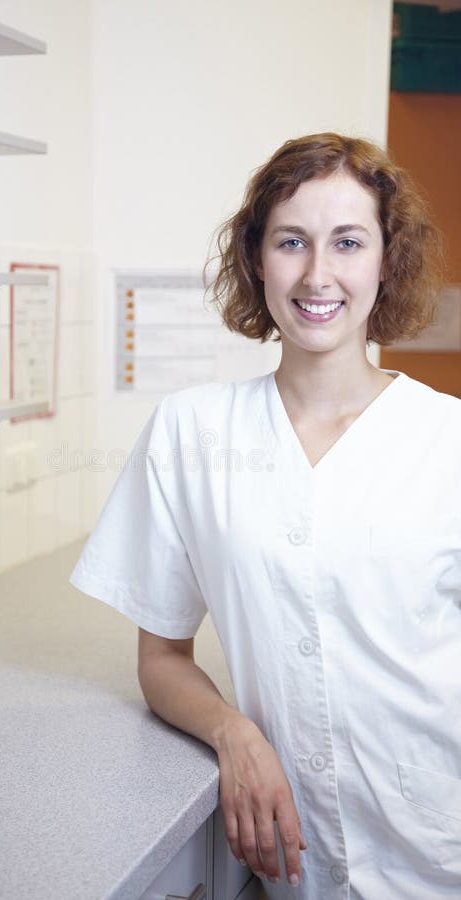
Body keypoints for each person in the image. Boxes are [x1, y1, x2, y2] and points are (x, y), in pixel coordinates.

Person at [70, 133, 461, 899]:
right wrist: (234, 734)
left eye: (348, 242)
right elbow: (162, 659)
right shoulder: (192, 433)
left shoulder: (447, 440)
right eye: (292, 242)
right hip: (296, 862)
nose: (319, 275)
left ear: (389, 259)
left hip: (439, 844)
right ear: (256, 258)